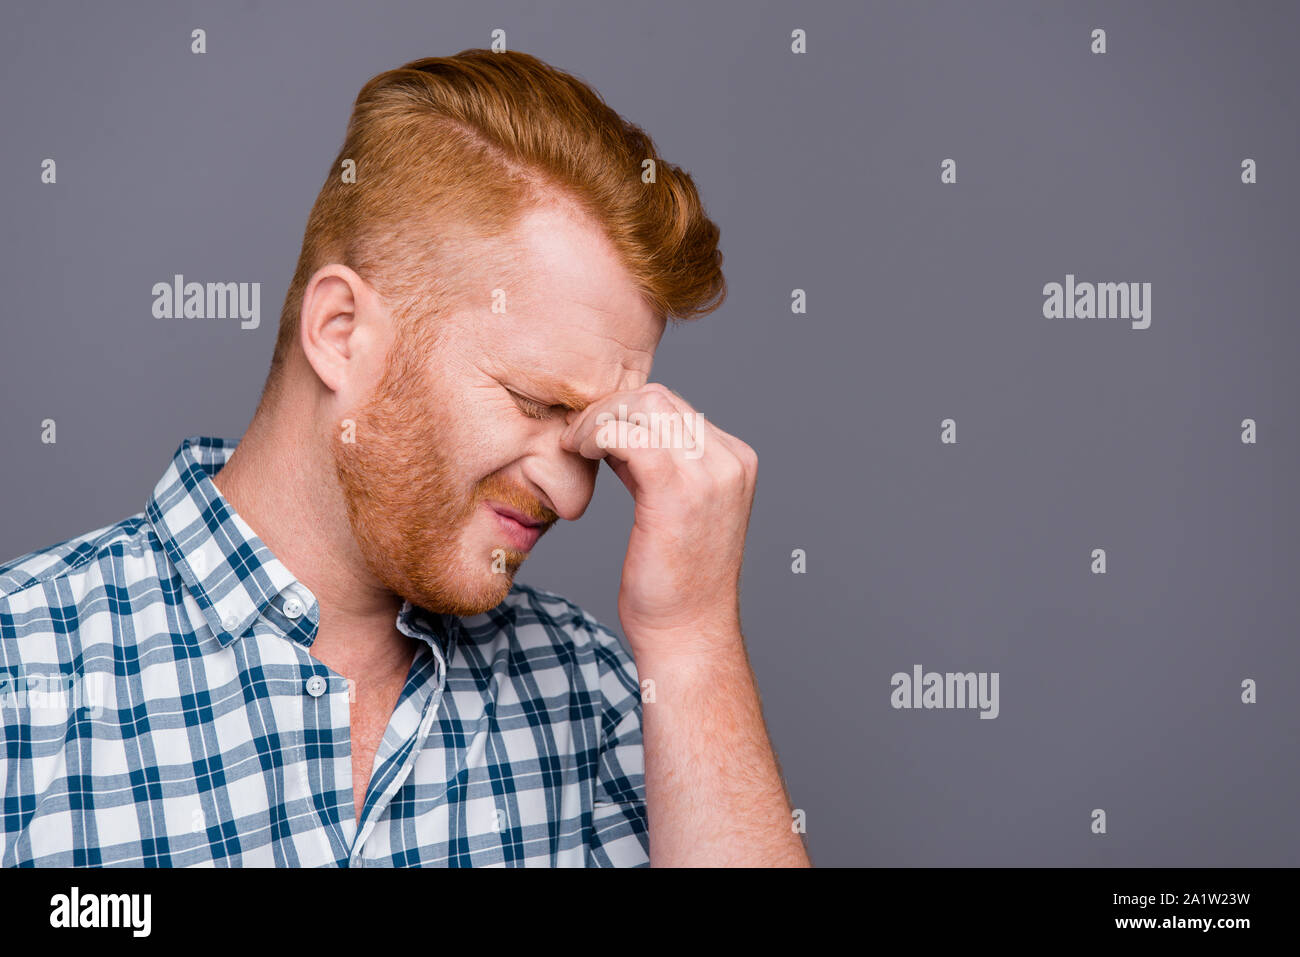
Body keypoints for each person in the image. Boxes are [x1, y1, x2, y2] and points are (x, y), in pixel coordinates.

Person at [0, 49, 809, 867]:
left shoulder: (601, 694)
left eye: (594, 435)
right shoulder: (20, 673)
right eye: (536, 402)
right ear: (342, 333)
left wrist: (693, 639)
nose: (573, 496)